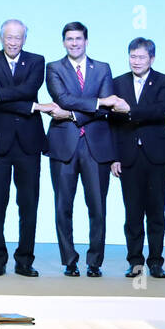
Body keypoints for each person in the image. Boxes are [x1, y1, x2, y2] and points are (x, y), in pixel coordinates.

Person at [0, 20, 54, 277]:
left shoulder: (36, 61)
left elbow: (28, 89)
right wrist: (33, 106)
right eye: (9, 37)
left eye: (18, 38)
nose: (13, 42)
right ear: (1, 37)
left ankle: (24, 260)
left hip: (28, 140)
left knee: (28, 202)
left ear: (25, 39)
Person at [45, 21, 119, 277]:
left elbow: (107, 106)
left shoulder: (102, 68)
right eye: (69, 39)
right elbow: (62, 99)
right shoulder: (53, 67)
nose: (74, 43)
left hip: (96, 146)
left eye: (78, 38)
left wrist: (73, 115)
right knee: (63, 206)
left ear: (86, 40)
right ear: (63, 42)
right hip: (63, 146)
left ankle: (94, 262)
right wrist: (97, 102)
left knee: (97, 207)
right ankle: (69, 260)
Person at [108, 37, 165, 278]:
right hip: (128, 155)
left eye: (141, 57)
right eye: (132, 56)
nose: (136, 61)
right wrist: (114, 157)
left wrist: (129, 110)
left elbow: (161, 111)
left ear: (152, 58)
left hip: (157, 154)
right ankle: (135, 262)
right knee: (133, 212)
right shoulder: (117, 82)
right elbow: (113, 123)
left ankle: (156, 262)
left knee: (156, 210)